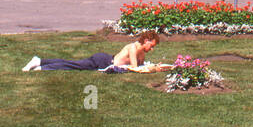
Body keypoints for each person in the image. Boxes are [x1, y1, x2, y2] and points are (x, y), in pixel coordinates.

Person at [23, 31, 171, 72]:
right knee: (75, 65)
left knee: (74, 65)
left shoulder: (142, 52)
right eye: (151, 45)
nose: (151, 49)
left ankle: (41, 64)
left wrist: (155, 67)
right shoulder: (134, 48)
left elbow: (142, 66)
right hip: (103, 61)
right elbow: (135, 68)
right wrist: (152, 69)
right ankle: (41, 64)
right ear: (146, 41)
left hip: (105, 60)